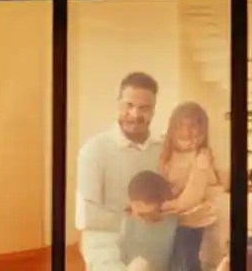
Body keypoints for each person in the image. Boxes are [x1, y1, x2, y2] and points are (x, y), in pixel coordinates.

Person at [77, 72, 164, 271]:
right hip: (106, 246)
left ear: (153, 111)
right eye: (129, 105)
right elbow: (86, 217)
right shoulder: (94, 150)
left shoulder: (162, 150)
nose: (135, 114)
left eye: (144, 108)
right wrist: (132, 212)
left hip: (151, 245)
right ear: (118, 104)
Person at [160, 102, 221, 271]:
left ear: (203, 133)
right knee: (172, 259)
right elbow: (162, 180)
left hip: (197, 217)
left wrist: (167, 206)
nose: (187, 133)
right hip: (175, 219)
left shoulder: (201, 156)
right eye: (181, 128)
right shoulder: (167, 155)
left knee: (186, 260)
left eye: (194, 129)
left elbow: (194, 192)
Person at [121, 171, 179, 271]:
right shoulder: (128, 223)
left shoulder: (176, 227)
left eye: (151, 214)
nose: (145, 221)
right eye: (141, 214)